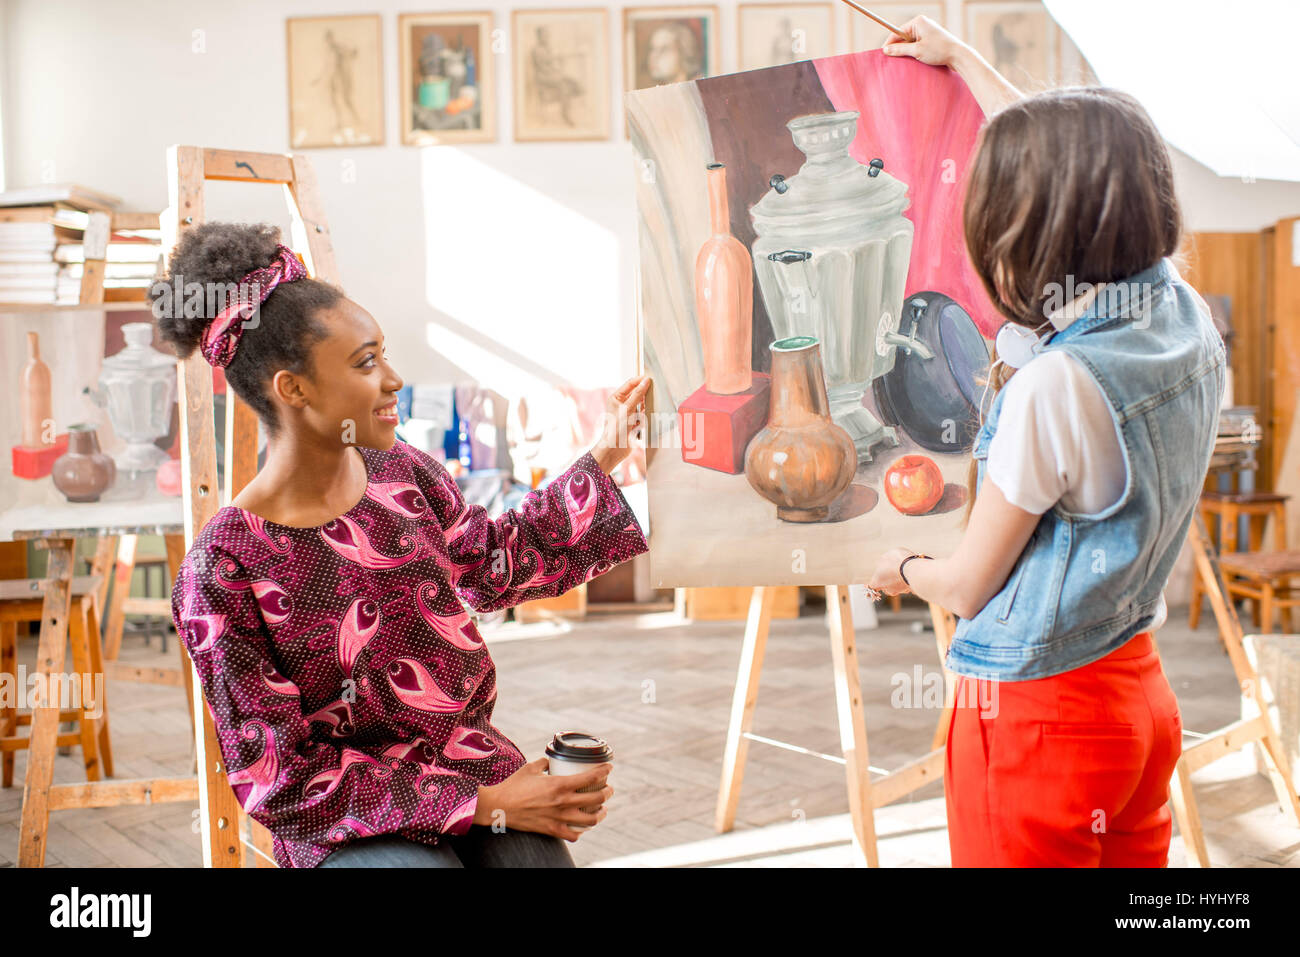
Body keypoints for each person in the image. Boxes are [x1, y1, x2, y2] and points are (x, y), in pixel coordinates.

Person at [156, 222, 652, 868]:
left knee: (537, 863)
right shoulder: (221, 569)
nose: (392, 378)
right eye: (366, 362)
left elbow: (495, 562)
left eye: (383, 352)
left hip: (467, 763)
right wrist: (489, 806)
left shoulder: (402, 474)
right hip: (347, 819)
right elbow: (281, 778)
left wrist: (607, 451)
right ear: (294, 389)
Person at [869, 18, 1225, 866]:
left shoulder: (1051, 391)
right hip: (1135, 699)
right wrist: (967, 62)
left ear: (1026, 233)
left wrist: (903, 570)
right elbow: (1080, 167)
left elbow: (964, 583)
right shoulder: (1180, 315)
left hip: (1037, 721)